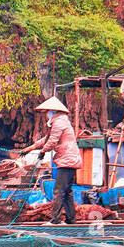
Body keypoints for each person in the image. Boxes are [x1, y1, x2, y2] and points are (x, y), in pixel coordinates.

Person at [31, 96, 82, 224]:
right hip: (68, 159)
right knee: (67, 191)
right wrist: (31, 148)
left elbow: (52, 141)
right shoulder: (59, 122)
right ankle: (71, 219)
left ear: (53, 111)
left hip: (67, 160)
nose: (47, 114)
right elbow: (46, 139)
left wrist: (42, 152)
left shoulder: (59, 122)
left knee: (59, 190)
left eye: (48, 112)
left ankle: (56, 219)